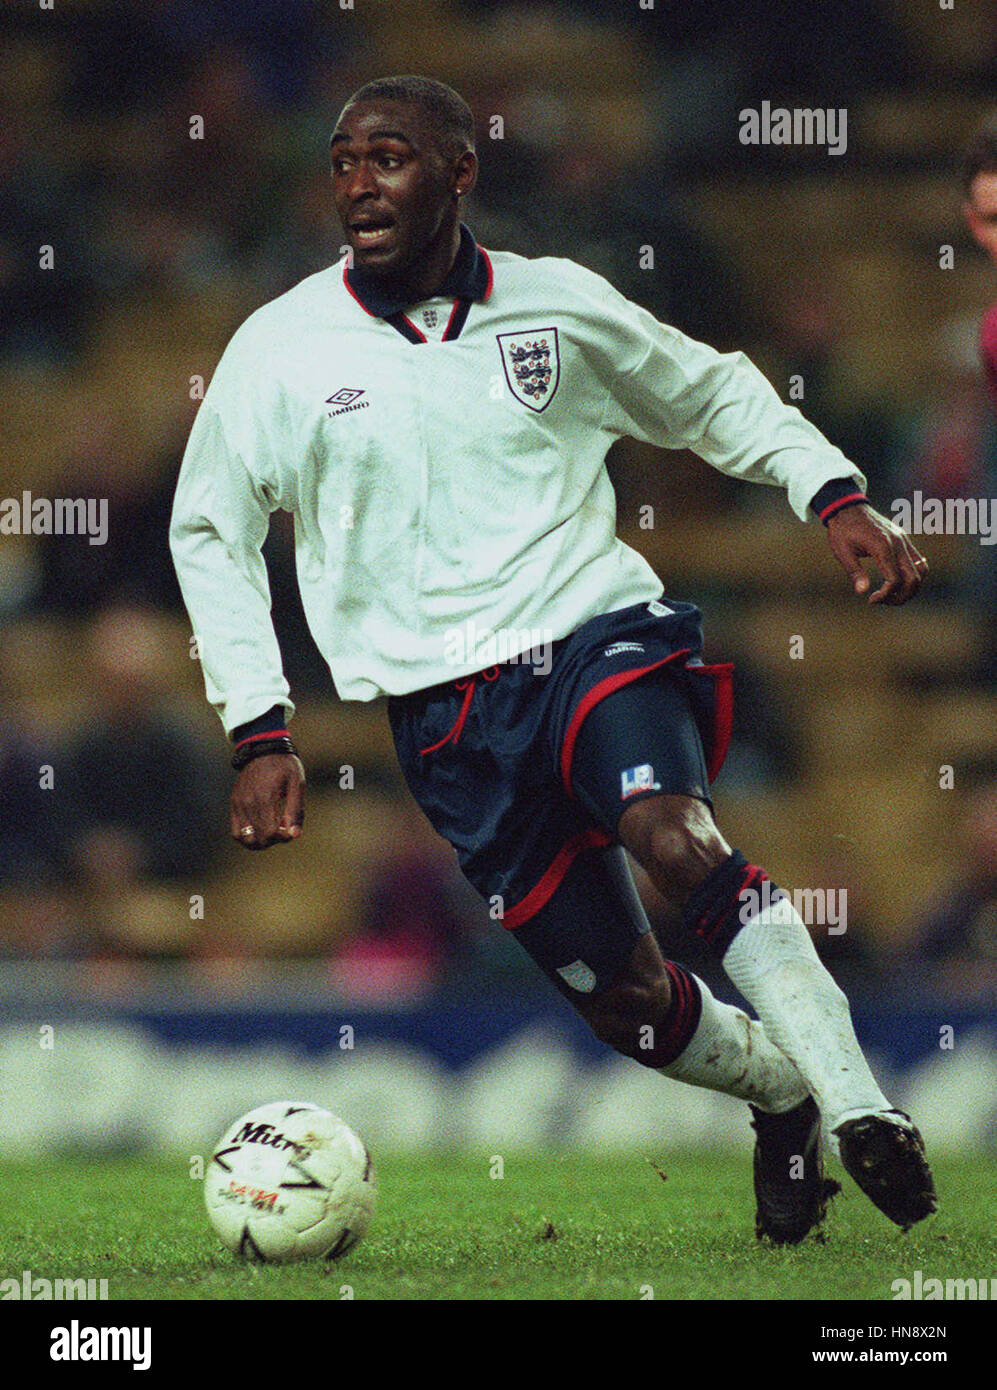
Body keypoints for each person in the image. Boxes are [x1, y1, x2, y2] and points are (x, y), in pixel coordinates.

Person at [171, 75, 935, 1244]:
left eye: (389, 157)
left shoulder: (556, 306)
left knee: (672, 833)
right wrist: (259, 726)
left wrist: (829, 490)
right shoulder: (275, 350)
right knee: (624, 1003)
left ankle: (857, 1103)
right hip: (444, 717)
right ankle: (780, 1094)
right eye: (341, 163)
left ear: (458, 172)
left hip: (589, 637)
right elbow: (210, 530)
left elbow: (708, 390)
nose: (358, 184)